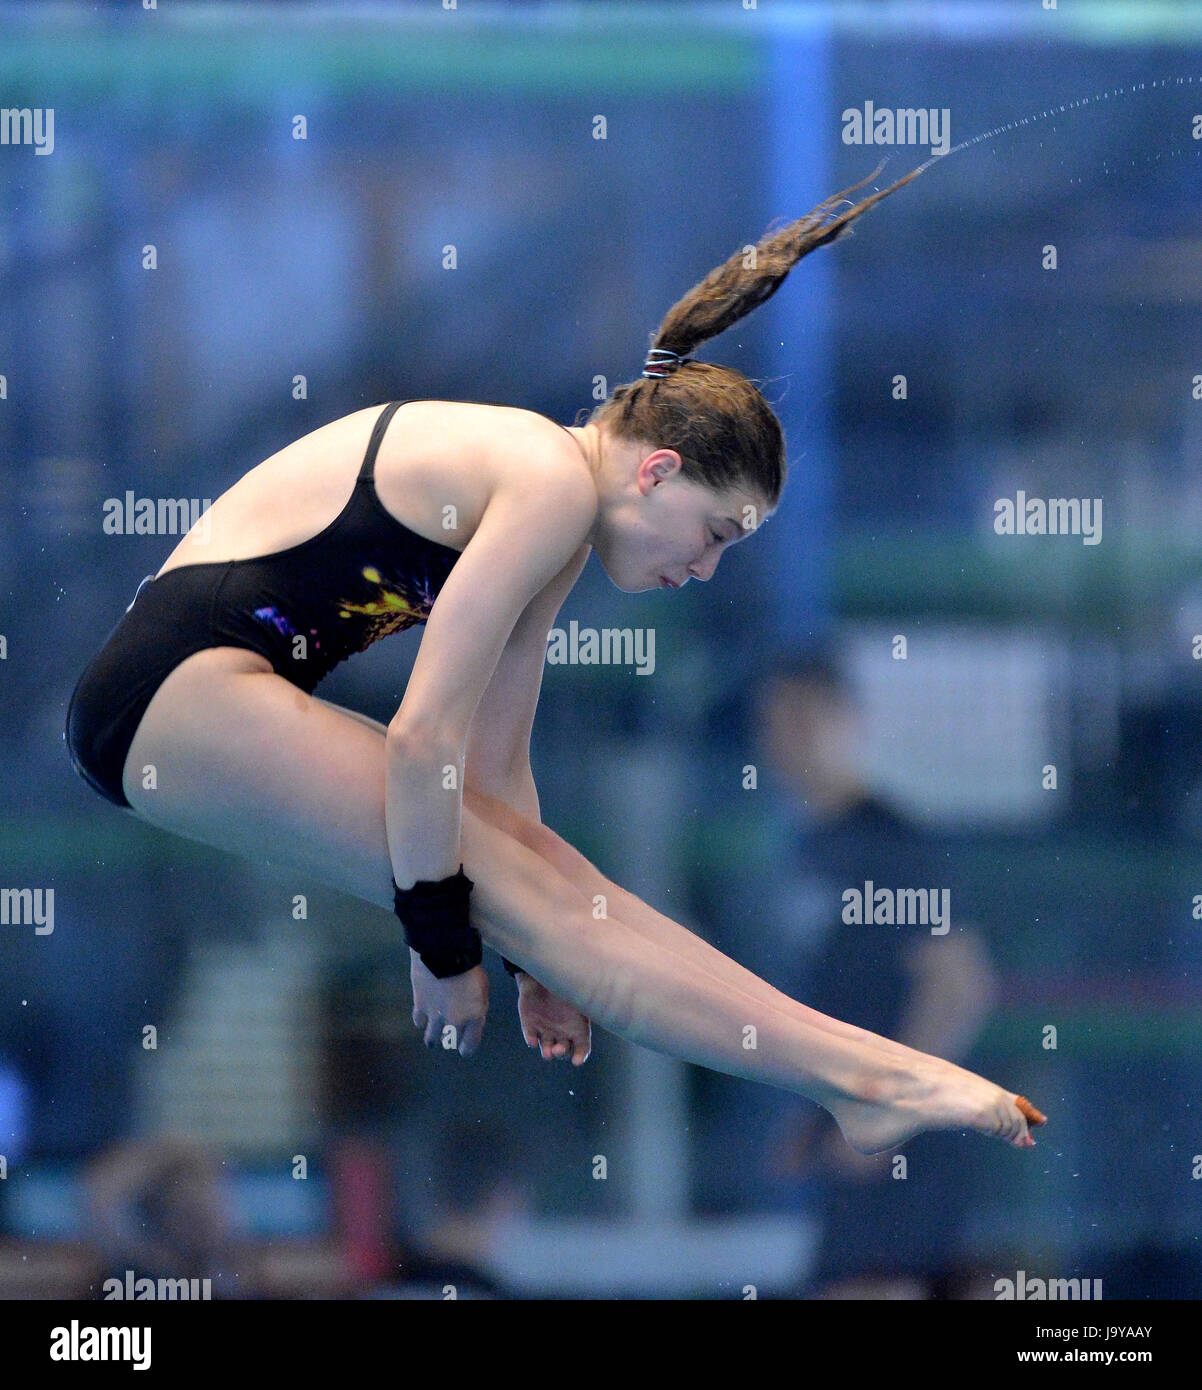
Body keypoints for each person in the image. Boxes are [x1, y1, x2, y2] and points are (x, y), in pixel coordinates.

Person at [64, 163, 1045, 1159]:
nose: (699, 571)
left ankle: (863, 1071)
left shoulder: (552, 505)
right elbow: (422, 740)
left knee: (564, 887)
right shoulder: (544, 479)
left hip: (194, 695)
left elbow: (491, 768)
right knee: (542, 904)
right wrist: (444, 943)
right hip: (173, 690)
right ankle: (868, 1078)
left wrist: (539, 965)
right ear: (656, 471)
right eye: (710, 536)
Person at [756, 649, 999, 1294]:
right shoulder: (808, 849)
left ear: (850, 721)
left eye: (806, 720)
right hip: (856, 1145)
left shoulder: (892, 844)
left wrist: (892, 1110)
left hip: (903, 1154)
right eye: (776, 724)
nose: (788, 742)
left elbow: (959, 986)